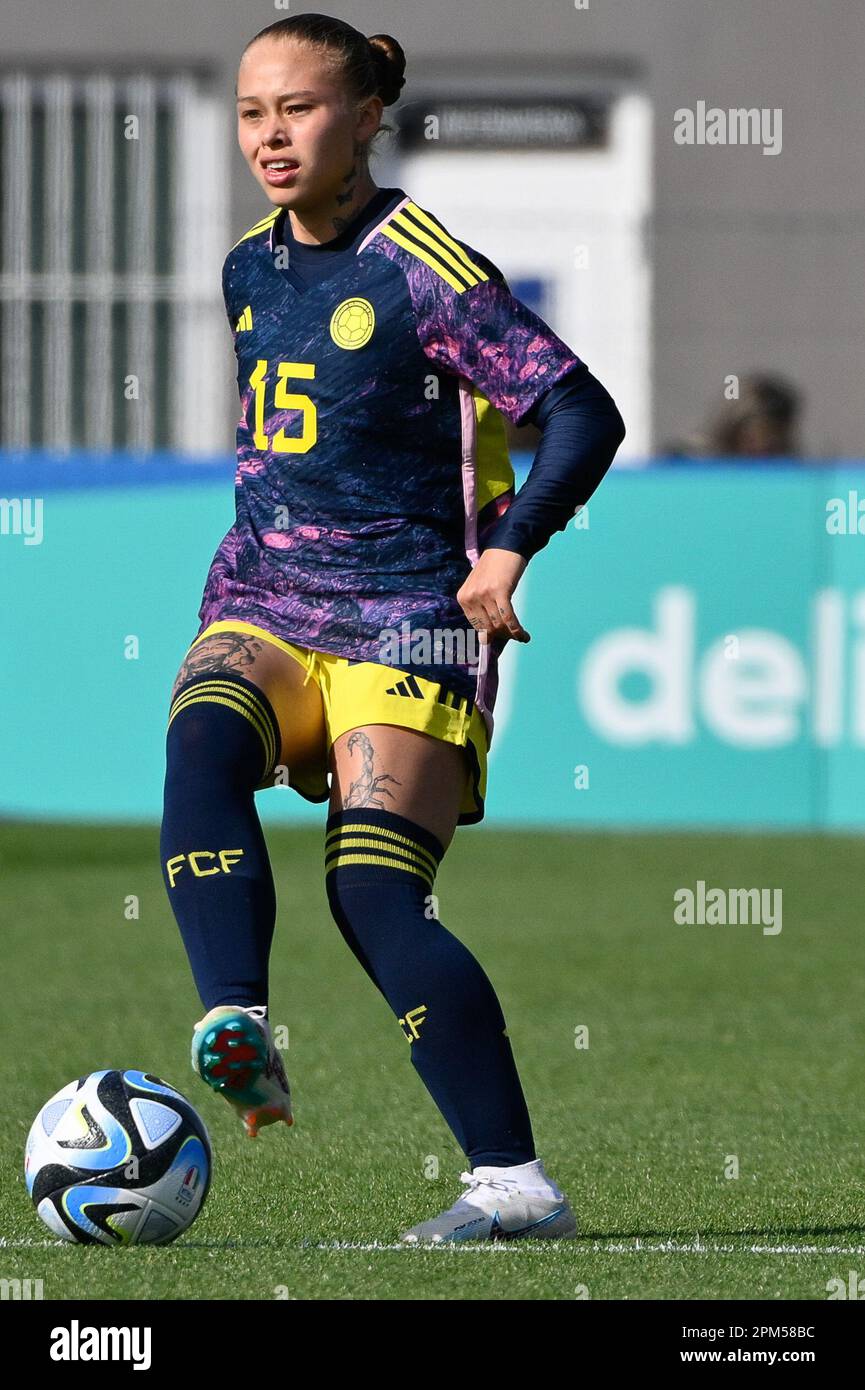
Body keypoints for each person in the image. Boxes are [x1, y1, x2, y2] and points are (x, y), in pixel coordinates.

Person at [160, 12, 625, 1244]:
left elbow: (581, 412)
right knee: (200, 743)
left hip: (410, 618)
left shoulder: (424, 264)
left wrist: (509, 548)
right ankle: (236, 1018)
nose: (271, 134)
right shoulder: (245, 267)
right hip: (263, 595)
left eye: (300, 108)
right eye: (253, 110)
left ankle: (512, 1182)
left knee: (372, 898)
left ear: (365, 116)